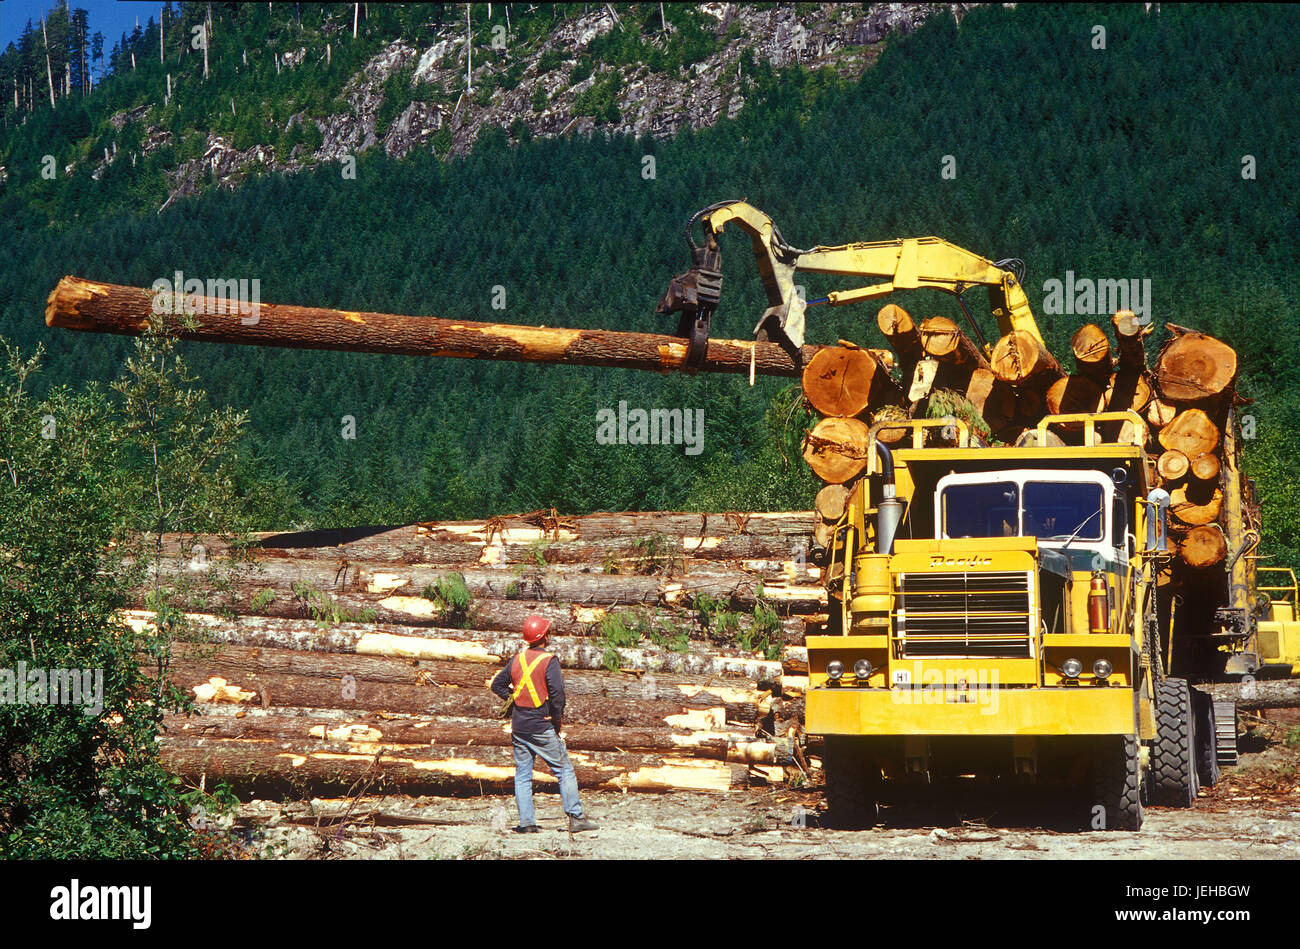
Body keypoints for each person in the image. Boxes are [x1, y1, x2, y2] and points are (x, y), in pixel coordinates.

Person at [490, 614, 598, 833]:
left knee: (522, 774)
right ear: (544, 637)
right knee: (564, 770)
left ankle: (527, 823)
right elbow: (558, 694)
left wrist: (515, 702)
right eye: (548, 632)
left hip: (519, 726)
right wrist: (556, 720)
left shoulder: (518, 659)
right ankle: (576, 818)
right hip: (541, 724)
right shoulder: (549, 660)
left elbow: (497, 685)